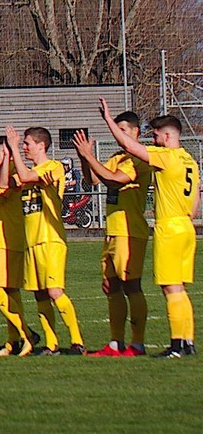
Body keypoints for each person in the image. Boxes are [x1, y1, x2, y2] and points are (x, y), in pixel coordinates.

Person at [99, 100, 199, 356]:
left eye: (155, 135)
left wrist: (109, 120)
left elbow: (128, 145)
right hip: (187, 227)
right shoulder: (190, 160)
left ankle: (176, 345)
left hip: (169, 227)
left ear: (168, 136)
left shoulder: (166, 156)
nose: (153, 140)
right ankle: (188, 343)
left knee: (170, 287)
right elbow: (195, 205)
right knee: (180, 287)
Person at [73, 113, 153, 356]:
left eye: (124, 130)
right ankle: (115, 343)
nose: (119, 134)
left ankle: (137, 344)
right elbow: (93, 179)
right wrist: (83, 157)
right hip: (112, 232)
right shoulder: (117, 157)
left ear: (136, 132)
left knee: (131, 285)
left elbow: (114, 181)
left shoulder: (138, 158)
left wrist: (89, 156)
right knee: (111, 286)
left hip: (130, 232)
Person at [6, 125, 86, 355]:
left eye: (27, 144)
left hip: (50, 238)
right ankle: (51, 344)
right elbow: (6, 183)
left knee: (54, 291)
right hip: (31, 241)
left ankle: (77, 342)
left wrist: (13, 148)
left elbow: (24, 177)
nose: (24, 147)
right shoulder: (27, 169)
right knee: (39, 294)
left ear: (41, 146)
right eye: (23, 144)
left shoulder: (54, 167)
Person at [0, 136, 37, 356]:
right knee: (10, 292)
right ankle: (12, 342)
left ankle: (27, 334)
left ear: (4, 154)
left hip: (5, 240)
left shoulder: (13, 173)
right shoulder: (10, 171)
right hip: (8, 237)